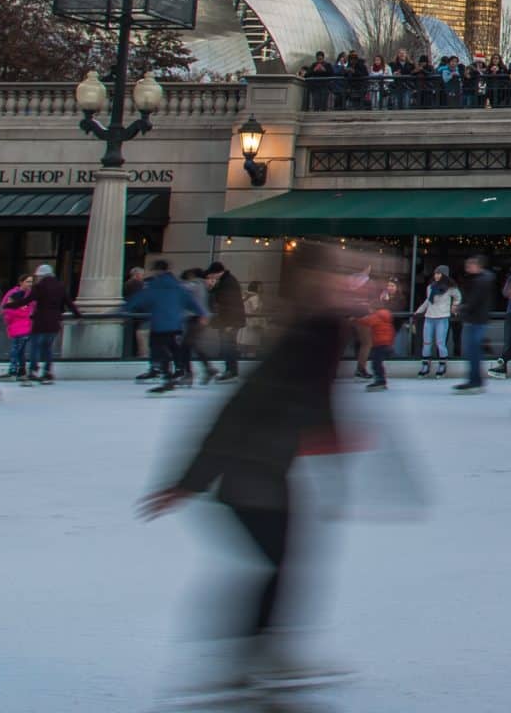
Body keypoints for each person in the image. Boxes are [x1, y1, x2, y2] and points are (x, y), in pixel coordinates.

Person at [137, 243, 361, 702]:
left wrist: (328, 438)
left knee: (280, 563)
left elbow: (317, 402)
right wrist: (188, 483)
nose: (352, 283)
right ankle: (250, 656)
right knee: (276, 563)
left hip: (264, 465)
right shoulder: (310, 334)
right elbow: (242, 409)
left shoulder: (317, 331)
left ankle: (258, 652)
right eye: (340, 275)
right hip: (249, 469)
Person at [121, 261, 211, 395]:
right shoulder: (178, 286)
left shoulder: (154, 286)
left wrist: (123, 309)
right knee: (174, 350)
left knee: (160, 352)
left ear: (156, 271)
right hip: (175, 325)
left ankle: (168, 378)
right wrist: (202, 313)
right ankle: (180, 373)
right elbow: (190, 301)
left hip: (159, 326)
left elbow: (138, 299)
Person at [453, 255, 498, 393]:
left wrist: (460, 308)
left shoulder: (480, 281)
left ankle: (475, 381)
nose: (467, 268)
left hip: (476, 320)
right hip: (476, 319)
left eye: (469, 265)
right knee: (473, 351)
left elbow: (474, 301)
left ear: (477, 266)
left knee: (473, 351)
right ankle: (475, 380)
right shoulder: (479, 279)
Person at [205, 263, 246, 382]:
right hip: (229, 320)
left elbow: (230, 304)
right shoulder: (226, 281)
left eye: (213, 274)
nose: (212, 277)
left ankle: (231, 371)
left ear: (217, 272)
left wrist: (230, 323)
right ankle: (231, 370)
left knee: (228, 346)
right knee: (228, 346)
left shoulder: (227, 282)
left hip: (230, 321)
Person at [414, 266, 458, 377]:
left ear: (444, 275)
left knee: (440, 343)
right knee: (427, 342)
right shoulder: (430, 287)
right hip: (429, 317)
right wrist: (419, 311)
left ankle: (442, 364)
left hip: (442, 318)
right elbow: (428, 301)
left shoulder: (450, 288)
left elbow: (458, 297)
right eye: (435, 274)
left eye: (439, 274)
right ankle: (425, 364)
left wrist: (454, 306)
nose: (436, 276)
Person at [0, 277, 34, 382]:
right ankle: (21, 371)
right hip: (25, 330)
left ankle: (14, 370)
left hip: (18, 331)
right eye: (28, 281)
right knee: (21, 351)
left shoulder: (12, 309)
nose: (30, 284)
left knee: (15, 351)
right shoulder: (24, 305)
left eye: (31, 282)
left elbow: (7, 314)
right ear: (21, 282)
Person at [359, 295, 395, 391]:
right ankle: (381, 380)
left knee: (376, 364)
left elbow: (366, 321)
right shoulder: (386, 316)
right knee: (378, 363)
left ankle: (380, 381)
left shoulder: (376, 316)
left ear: (373, 308)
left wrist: (353, 319)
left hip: (379, 344)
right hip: (386, 344)